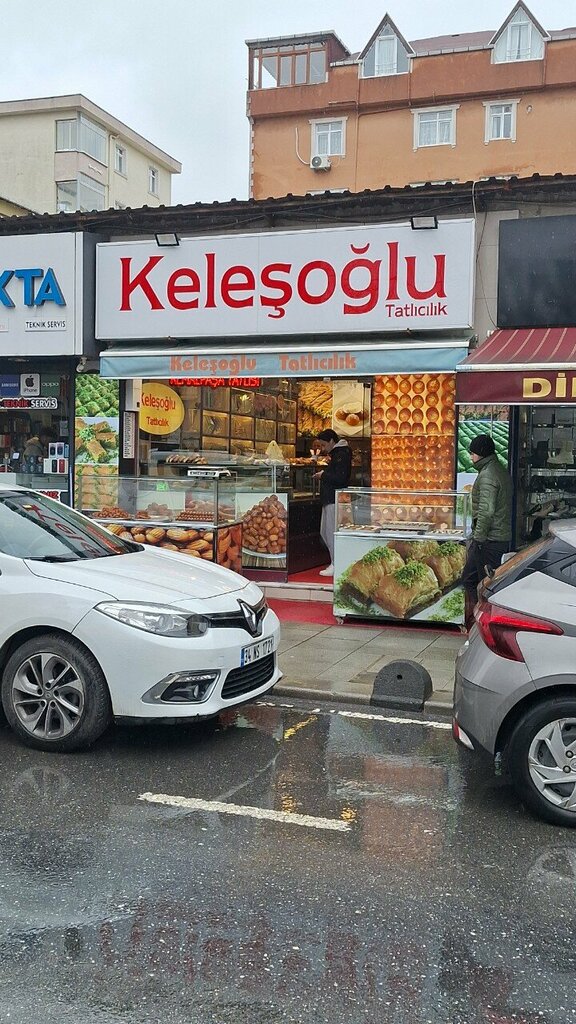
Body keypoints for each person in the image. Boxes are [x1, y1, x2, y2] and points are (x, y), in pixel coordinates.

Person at [462, 433, 513, 630]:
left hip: (489, 540)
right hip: (497, 537)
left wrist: (478, 539)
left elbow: (486, 511)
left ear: (481, 454)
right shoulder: (497, 469)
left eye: (473, 453)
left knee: (474, 581)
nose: (471, 457)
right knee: (483, 581)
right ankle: (482, 622)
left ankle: (481, 624)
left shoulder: (488, 475)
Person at [313, 428, 352, 577]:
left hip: (334, 498)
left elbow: (340, 477)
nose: (323, 449)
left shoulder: (341, 454)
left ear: (331, 441)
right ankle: (336, 562)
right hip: (333, 498)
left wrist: (324, 474)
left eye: (323, 445)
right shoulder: (339, 453)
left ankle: (336, 563)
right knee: (326, 531)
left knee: (331, 532)